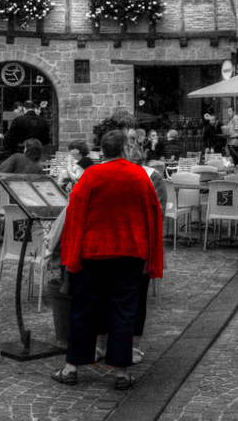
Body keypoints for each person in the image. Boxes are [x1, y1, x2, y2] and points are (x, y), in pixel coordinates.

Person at [54, 128, 164, 390]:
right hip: (130, 250)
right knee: (124, 309)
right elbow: (153, 213)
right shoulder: (139, 175)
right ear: (125, 148)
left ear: (101, 150)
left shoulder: (91, 175)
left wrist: (71, 254)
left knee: (84, 307)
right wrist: (151, 254)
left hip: (94, 250)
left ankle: (71, 368)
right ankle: (121, 372)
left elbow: (75, 213)